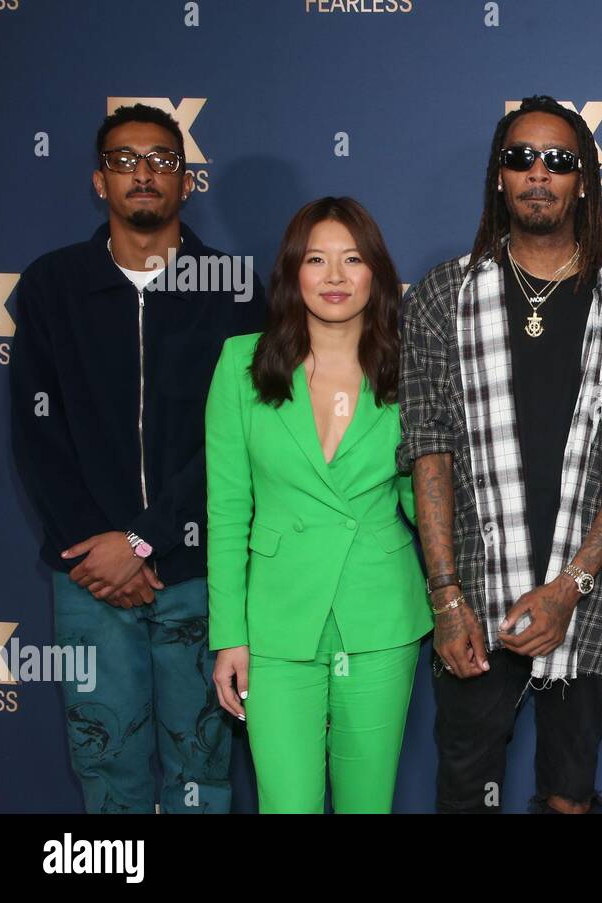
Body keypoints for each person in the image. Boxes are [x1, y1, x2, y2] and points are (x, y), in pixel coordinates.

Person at [398, 95, 602, 814]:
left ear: (584, 179)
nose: (538, 174)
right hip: (473, 597)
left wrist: (569, 586)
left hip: (591, 598)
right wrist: (445, 594)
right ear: (498, 176)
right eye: (520, 157)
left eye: (559, 161)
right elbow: (427, 448)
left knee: (569, 793)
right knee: (465, 791)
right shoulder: (441, 296)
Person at [8, 103, 262, 813]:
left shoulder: (235, 289)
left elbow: (238, 441)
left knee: (202, 772)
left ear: (186, 181)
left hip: (201, 573)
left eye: (160, 160)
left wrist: (145, 537)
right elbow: (38, 434)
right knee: (106, 768)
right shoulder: (53, 286)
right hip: (90, 574)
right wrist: (100, 551)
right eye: (125, 160)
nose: (143, 173)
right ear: (99, 181)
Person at [207, 197, 431, 814]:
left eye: (352, 259)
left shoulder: (411, 366)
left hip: (380, 615)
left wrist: (463, 590)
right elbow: (227, 512)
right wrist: (228, 636)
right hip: (276, 621)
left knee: (367, 804)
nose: (334, 277)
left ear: (376, 274)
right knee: (287, 804)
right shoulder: (239, 365)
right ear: (292, 272)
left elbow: (428, 501)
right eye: (317, 259)